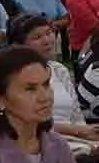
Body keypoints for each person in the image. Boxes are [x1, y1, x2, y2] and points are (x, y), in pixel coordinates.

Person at [8, 13, 99, 141]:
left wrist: (88, 137)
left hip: (77, 138)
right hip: (39, 140)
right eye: (37, 37)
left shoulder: (59, 69)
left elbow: (77, 115)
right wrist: (76, 131)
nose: (47, 41)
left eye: (49, 33)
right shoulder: (12, 75)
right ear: (18, 45)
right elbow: (25, 123)